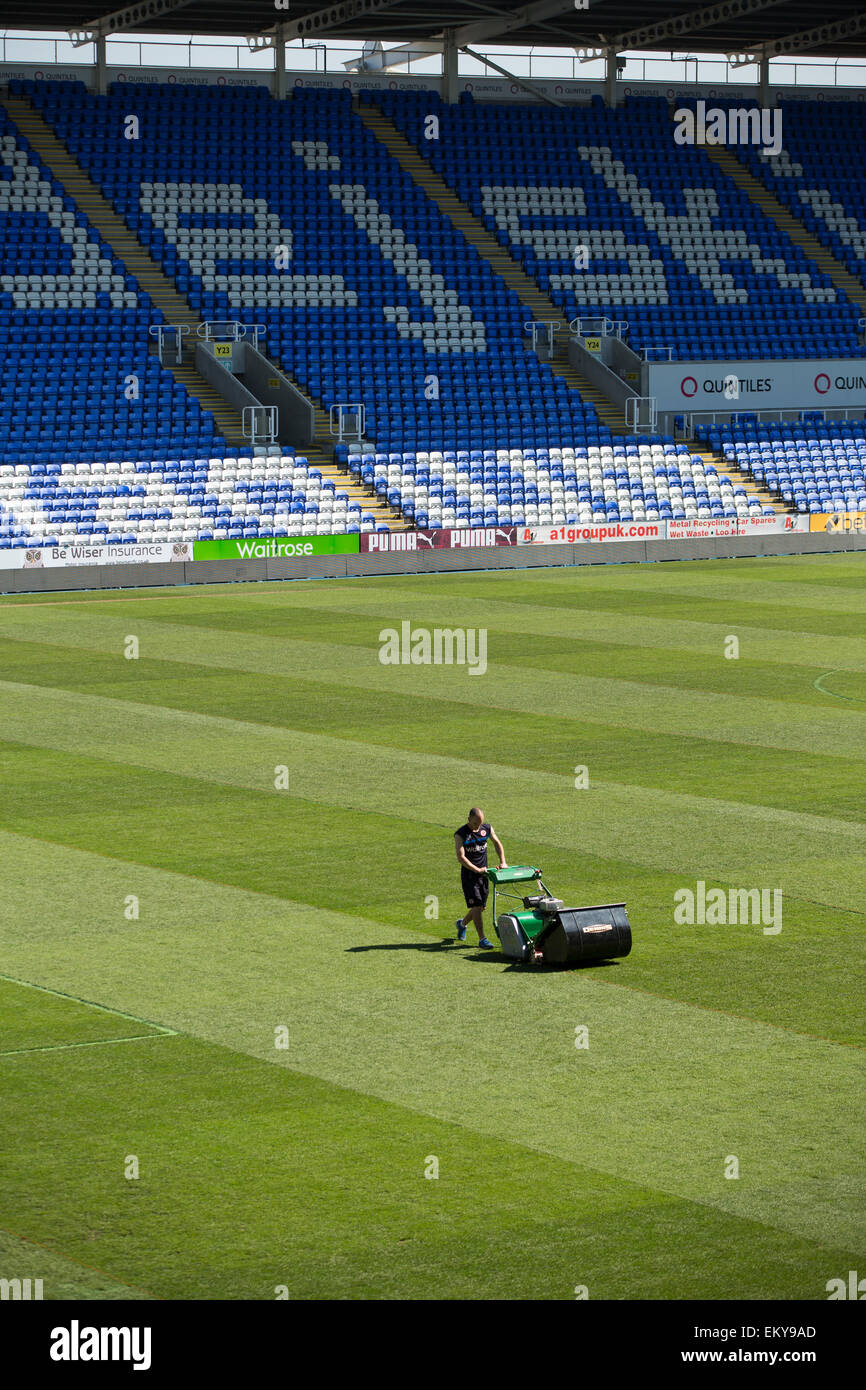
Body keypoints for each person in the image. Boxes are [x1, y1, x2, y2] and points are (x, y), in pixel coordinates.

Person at [454, 807, 507, 949]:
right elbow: (461, 857)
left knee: (481, 907)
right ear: (469, 819)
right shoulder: (460, 834)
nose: (477, 827)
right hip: (470, 875)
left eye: (479, 823)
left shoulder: (486, 829)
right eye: (474, 824)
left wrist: (503, 861)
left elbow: (497, 843)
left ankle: (462, 924)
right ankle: (482, 939)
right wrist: (476, 869)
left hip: (484, 874)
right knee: (477, 906)